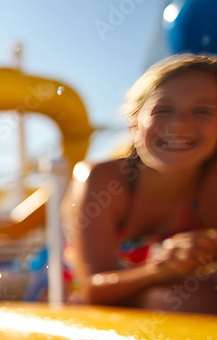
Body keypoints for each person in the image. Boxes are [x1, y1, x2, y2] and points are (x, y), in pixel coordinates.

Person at [62, 53, 217, 312]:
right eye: (163, 109)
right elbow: (89, 290)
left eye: (203, 110)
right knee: (178, 301)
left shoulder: (210, 184)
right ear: (134, 125)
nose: (180, 123)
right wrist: (161, 268)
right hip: (73, 294)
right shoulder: (103, 180)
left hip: (162, 295)